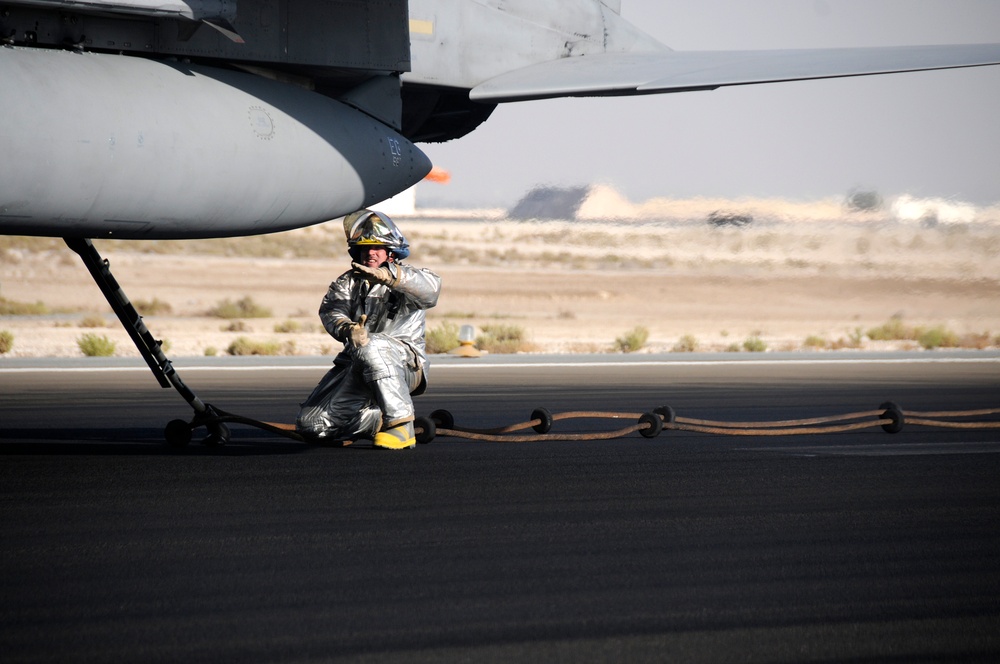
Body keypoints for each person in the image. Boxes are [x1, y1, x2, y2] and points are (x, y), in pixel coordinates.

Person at [296, 209, 441, 449]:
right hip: (358, 363)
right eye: (365, 248)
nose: (370, 252)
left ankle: (402, 426)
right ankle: (377, 420)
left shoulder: (407, 279)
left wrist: (389, 277)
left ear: (391, 252)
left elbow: (431, 290)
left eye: (377, 248)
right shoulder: (348, 282)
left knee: (370, 345)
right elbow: (332, 310)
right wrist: (347, 328)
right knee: (313, 426)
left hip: (405, 364)